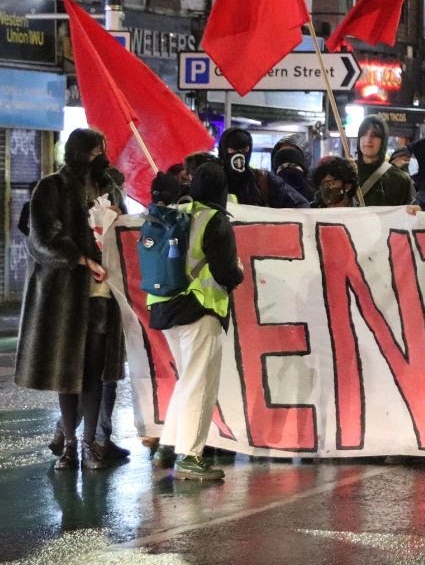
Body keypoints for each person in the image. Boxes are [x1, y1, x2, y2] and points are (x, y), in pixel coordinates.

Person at [16, 128, 127, 470]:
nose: (100, 158)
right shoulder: (50, 187)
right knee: (68, 374)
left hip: (102, 293)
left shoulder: (109, 187)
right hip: (64, 297)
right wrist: (82, 258)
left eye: (102, 151)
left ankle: (91, 444)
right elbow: (42, 239)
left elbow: (123, 231)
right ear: (79, 152)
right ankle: (69, 445)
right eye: (95, 152)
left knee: (94, 373)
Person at [147, 164, 244, 480]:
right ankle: (190, 456)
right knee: (200, 384)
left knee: (186, 380)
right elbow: (226, 272)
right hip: (199, 308)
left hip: (166, 307)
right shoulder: (214, 219)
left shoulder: (178, 210)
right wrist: (239, 271)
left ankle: (168, 447)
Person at [217, 128, 310, 208]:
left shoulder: (263, 179)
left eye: (244, 150)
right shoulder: (214, 179)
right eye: (233, 150)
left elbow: (300, 204)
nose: (240, 155)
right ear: (223, 151)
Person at [355, 114, 414, 206]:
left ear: (383, 140)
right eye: (364, 134)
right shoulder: (347, 174)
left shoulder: (400, 180)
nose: (368, 139)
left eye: (374, 135)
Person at [271, 138, 315, 203]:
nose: (287, 169)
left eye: (293, 165)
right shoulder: (267, 192)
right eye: (282, 166)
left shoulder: (316, 195)